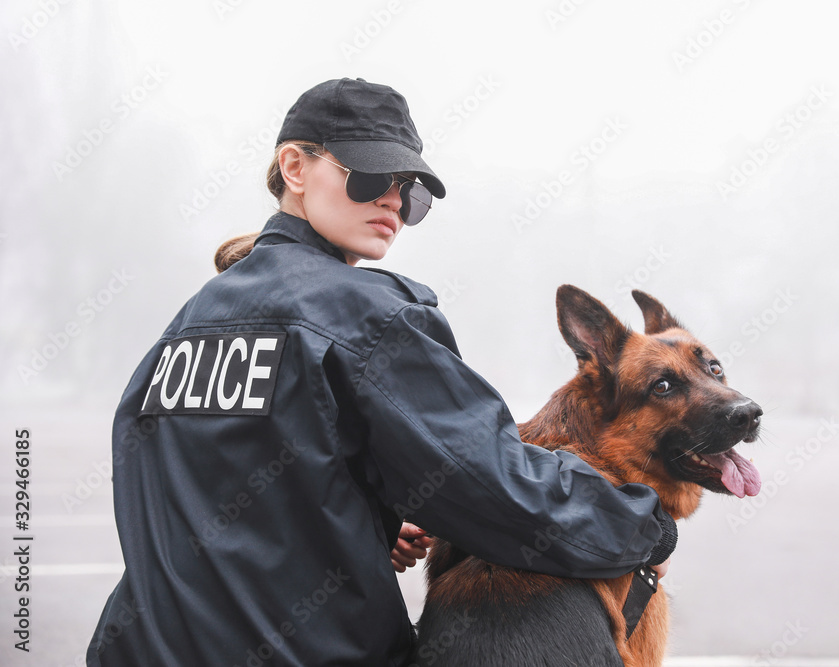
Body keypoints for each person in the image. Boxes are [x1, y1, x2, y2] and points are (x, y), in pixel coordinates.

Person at [86, 78, 677, 666]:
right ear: (295, 167)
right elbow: (496, 486)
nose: (393, 201)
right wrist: (639, 524)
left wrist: (362, 525)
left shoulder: (193, 321)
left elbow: (222, 498)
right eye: (371, 177)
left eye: (410, 190)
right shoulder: (369, 317)